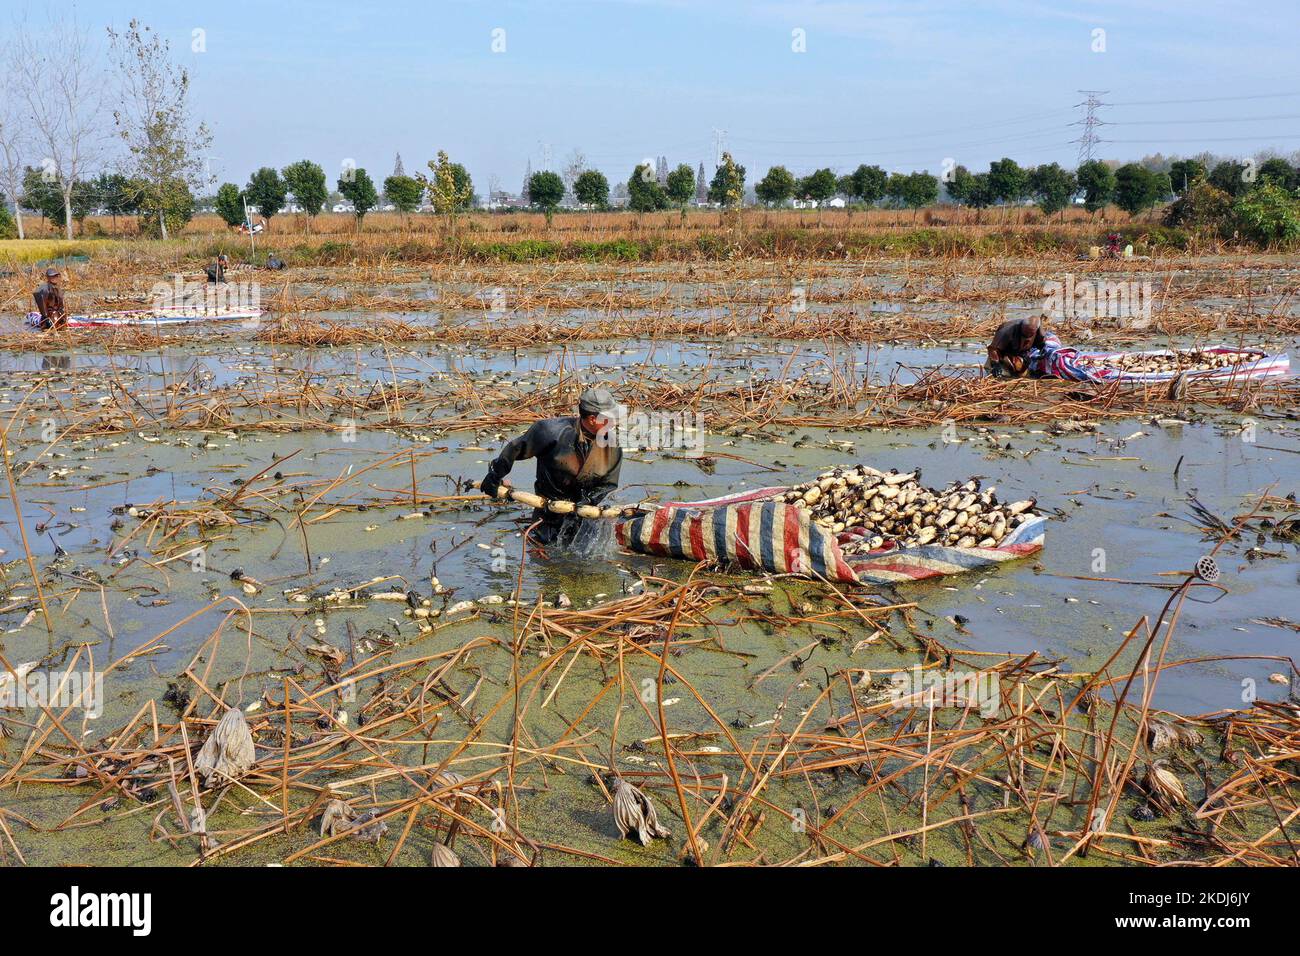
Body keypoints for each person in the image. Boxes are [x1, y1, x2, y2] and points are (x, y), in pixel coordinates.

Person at [480, 387, 623, 547]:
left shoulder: (612, 445)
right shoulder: (550, 431)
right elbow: (515, 448)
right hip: (547, 512)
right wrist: (494, 475)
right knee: (547, 552)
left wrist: (588, 502)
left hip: (586, 515)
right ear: (592, 419)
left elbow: (608, 484)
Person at [986, 313, 1046, 378]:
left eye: (1030, 333)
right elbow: (993, 349)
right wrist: (996, 364)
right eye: (1025, 333)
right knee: (1000, 375)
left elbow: (1041, 345)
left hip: (1020, 357)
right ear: (1022, 326)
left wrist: (1042, 352)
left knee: (1025, 377)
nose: (1027, 336)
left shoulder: (1040, 332)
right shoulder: (1007, 330)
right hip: (1002, 356)